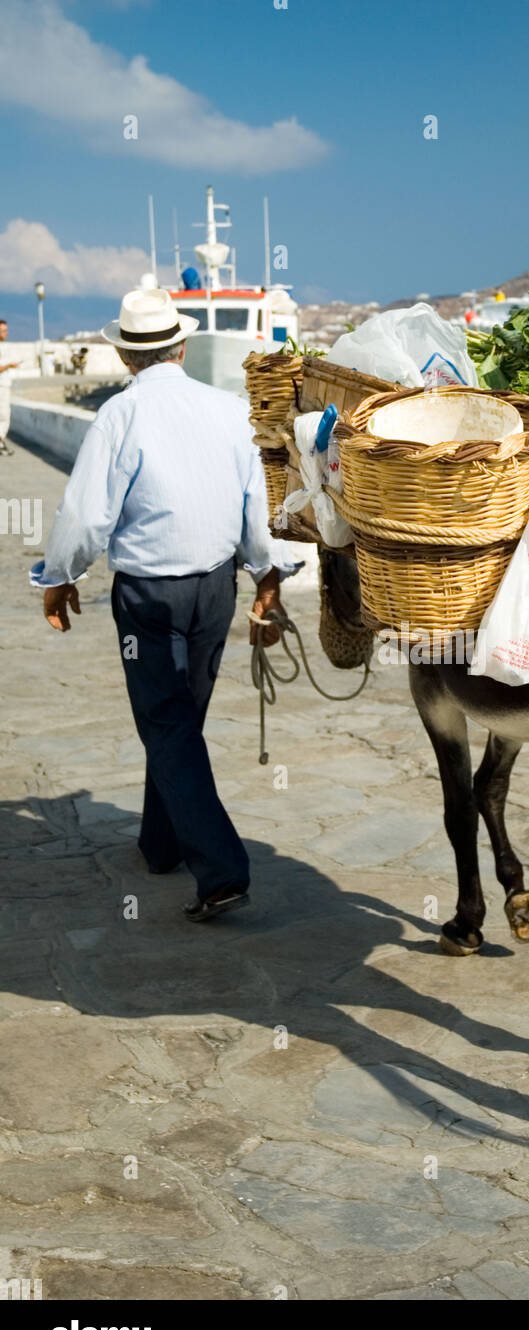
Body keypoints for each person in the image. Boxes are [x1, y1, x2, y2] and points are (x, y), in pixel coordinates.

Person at [29, 287, 301, 922]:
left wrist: (59, 575)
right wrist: (267, 576)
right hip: (215, 588)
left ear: (126, 357)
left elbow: (87, 516)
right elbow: (254, 505)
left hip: (149, 595)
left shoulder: (119, 417)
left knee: (169, 723)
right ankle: (160, 845)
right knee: (179, 720)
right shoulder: (230, 410)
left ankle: (222, 870)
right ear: (182, 345)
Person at [0, 319, 21, 455]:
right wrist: (10, 365)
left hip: (4, 384)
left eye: (6, 330)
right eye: (3, 330)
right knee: (4, 416)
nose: (6, 333)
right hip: (1, 386)